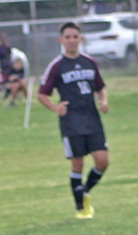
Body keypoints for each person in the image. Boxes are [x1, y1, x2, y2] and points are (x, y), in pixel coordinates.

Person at [37, 23, 109, 219]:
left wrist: (103, 100)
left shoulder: (89, 62)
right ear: (61, 40)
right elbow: (42, 94)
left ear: (80, 39)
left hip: (92, 119)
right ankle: (80, 207)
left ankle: (84, 191)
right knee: (77, 163)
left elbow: (100, 87)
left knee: (103, 161)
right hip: (71, 121)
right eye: (67, 37)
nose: (71, 40)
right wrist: (55, 108)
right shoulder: (57, 66)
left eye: (75, 36)